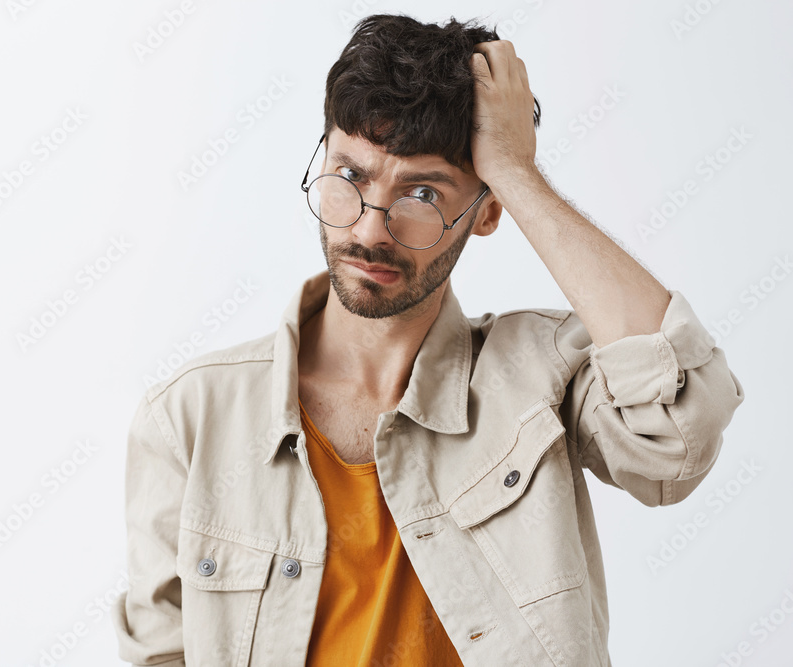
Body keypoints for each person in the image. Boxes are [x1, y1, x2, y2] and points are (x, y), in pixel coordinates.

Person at [113, 13, 744, 666]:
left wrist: (518, 173)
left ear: (488, 208)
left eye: (423, 192)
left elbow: (680, 432)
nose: (371, 229)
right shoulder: (189, 418)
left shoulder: (541, 374)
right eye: (351, 176)